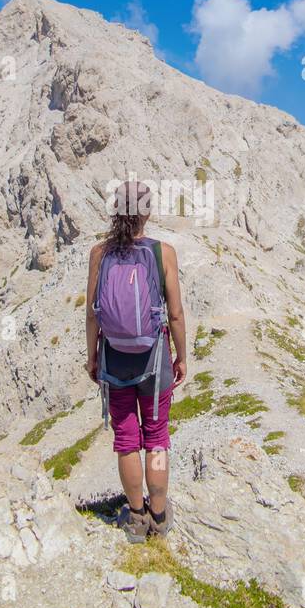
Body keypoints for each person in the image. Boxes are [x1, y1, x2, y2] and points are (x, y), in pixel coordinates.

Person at [85, 181, 187, 543]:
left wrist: (93, 358)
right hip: (155, 361)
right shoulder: (164, 253)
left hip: (115, 360)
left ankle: (136, 518)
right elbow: (174, 314)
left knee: (127, 440)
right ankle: (159, 516)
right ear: (147, 212)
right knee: (156, 437)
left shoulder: (100, 253)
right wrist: (182, 357)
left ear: (116, 211)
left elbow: (92, 315)